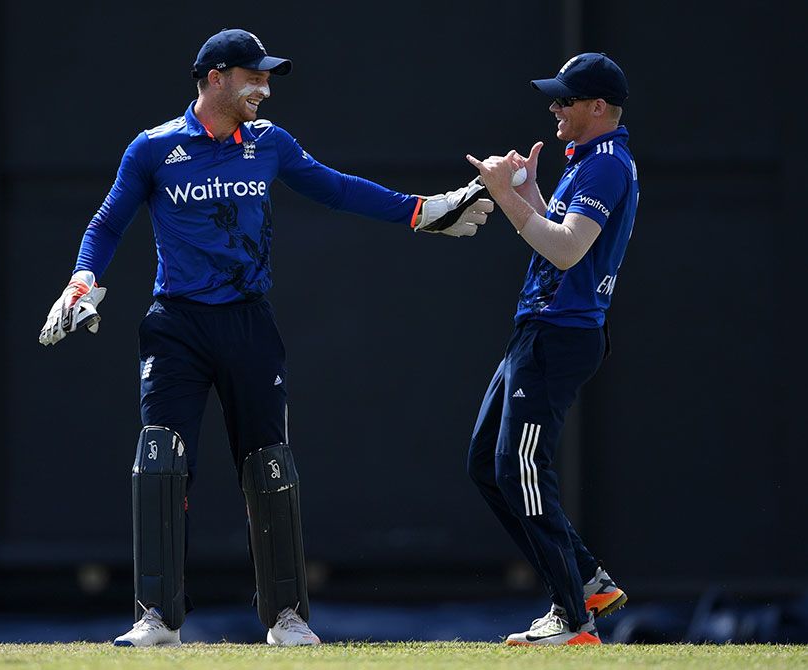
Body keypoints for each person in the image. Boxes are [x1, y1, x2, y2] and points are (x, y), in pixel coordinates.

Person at [38, 28, 492, 648]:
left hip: (248, 323)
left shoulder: (268, 144)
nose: (265, 88)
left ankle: (286, 618)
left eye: (268, 77)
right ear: (215, 77)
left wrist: (420, 210)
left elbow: (335, 188)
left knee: (269, 463)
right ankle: (156, 618)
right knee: (161, 459)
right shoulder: (154, 149)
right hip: (176, 324)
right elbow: (107, 222)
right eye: (255, 76)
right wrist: (81, 280)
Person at [465, 52, 639, 646]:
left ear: (598, 108)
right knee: (487, 462)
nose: (554, 108)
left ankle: (572, 618)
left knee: (520, 467)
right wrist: (531, 191)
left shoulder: (607, 166)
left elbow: (565, 251)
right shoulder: (587, 161)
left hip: (559, 333)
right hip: (541, 328)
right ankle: (587, 578)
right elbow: (561, 240)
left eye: (566, 99)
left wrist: (503, 196)